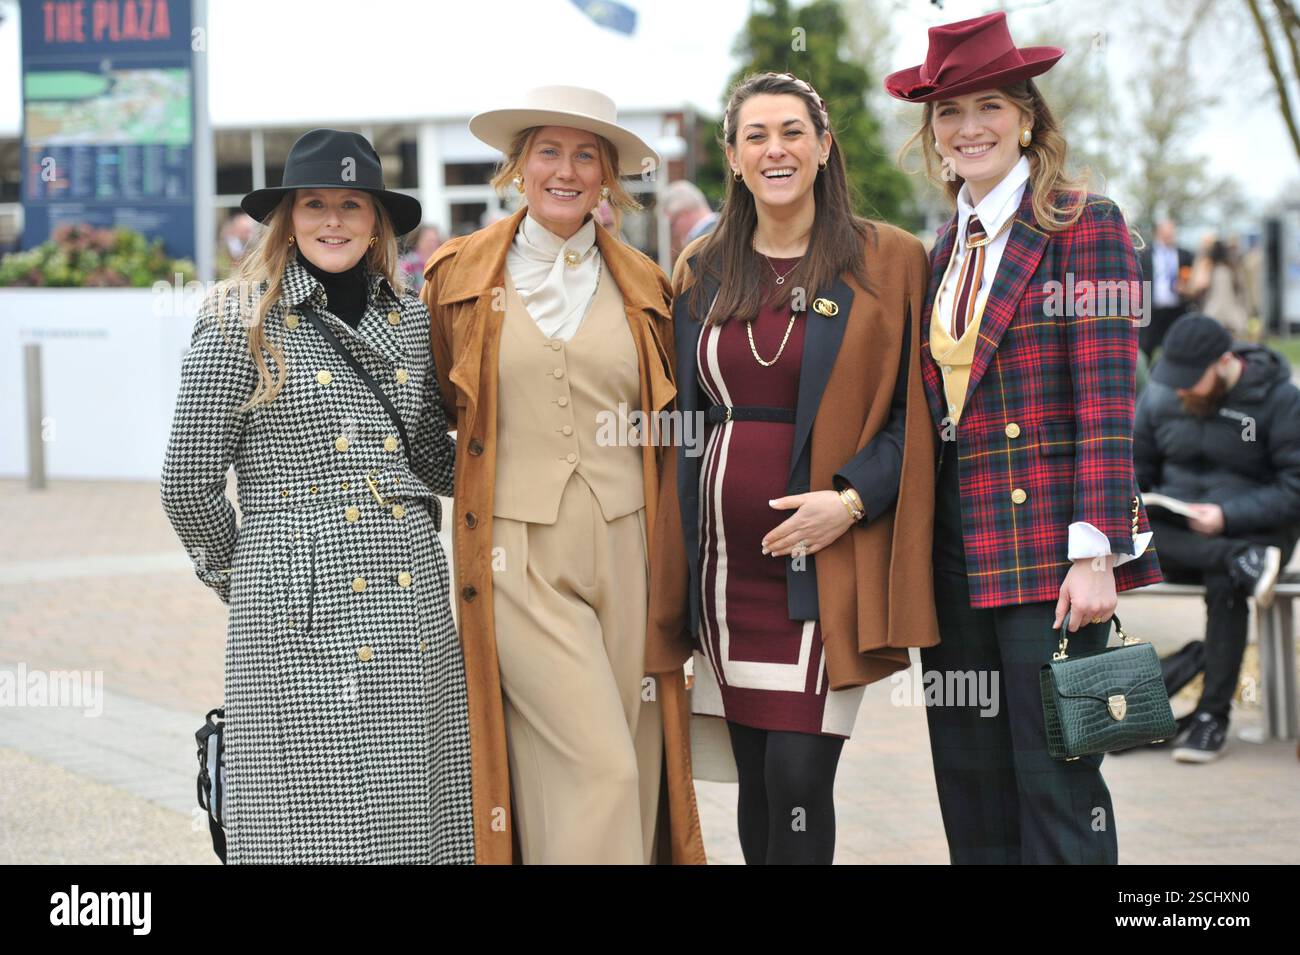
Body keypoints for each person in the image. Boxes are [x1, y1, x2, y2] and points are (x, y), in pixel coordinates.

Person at [887, 11, 1163, 864]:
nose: (969, 128)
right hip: (952, 554)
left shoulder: (1087, 223)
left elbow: (1109, 403)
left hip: (1047, 551)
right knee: (969, 786)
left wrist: (1095, 553)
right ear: (932, 135)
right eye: (949, 114)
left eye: (989, 107)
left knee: (1056, 783)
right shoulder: (940, 251)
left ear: (1029, 118)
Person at [160, 129, 473, 863]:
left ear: (377, 223)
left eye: (351, 205)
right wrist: (252, 576)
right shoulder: (240, 319)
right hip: (294, 602)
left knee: (414, 800)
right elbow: (186, 482)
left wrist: (529, 464)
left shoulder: (411, 316)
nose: (333, 221)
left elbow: (431, 455)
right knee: (313, 814)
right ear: (287, 219)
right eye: (314, 205)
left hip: (408, 593)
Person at [651, 71, 940, 865]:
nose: (775, 148)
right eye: (756, 135)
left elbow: (918, 417)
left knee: (800, 775)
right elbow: (686, 419)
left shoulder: (889, 261)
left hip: (826, 565)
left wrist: (849, 501)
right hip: (722, 569)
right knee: (755, 780)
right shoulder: (703, 267)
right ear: (733, 158)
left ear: (823, 145)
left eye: (791, 132)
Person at [420, 86, 705, 865]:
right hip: (516, 556)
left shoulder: (648, 284)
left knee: (634, 762)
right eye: (549, 151)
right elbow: (432, 411)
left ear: (609, 178)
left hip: (631, 549)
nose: (566, 171)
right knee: (599, 768)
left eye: (587, 156)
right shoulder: (456, 277)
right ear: (519, 165)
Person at [1135, 314, 1300, 762]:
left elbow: (1294, 489)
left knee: (1226, 581)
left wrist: (1228, 516)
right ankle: (1237, 559)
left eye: (1193, 380)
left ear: (1225, 362)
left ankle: (1211, 718)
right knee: (1130, 536)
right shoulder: (1162, 396)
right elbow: (1136, 473)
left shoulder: (1280, 400)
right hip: (1189, 537)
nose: (1182, 390)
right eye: (1176, 380)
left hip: (1256, 531)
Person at [1138, 218, 1194, 359]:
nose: (1170, 236)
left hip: (1175, 309)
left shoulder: (1184, 255)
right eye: (1167, 233)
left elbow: (1190, 277)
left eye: (1172, 232)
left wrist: (1185, 286)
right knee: (1145, 349)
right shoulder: (1145, 253)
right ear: (1158, 233)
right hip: (1150, 309)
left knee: (1176, 349)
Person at [663, 179, 718, 264]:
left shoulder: (701, 244)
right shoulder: (727, 227)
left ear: (683, 214)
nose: (674, 232)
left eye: (672, 224)